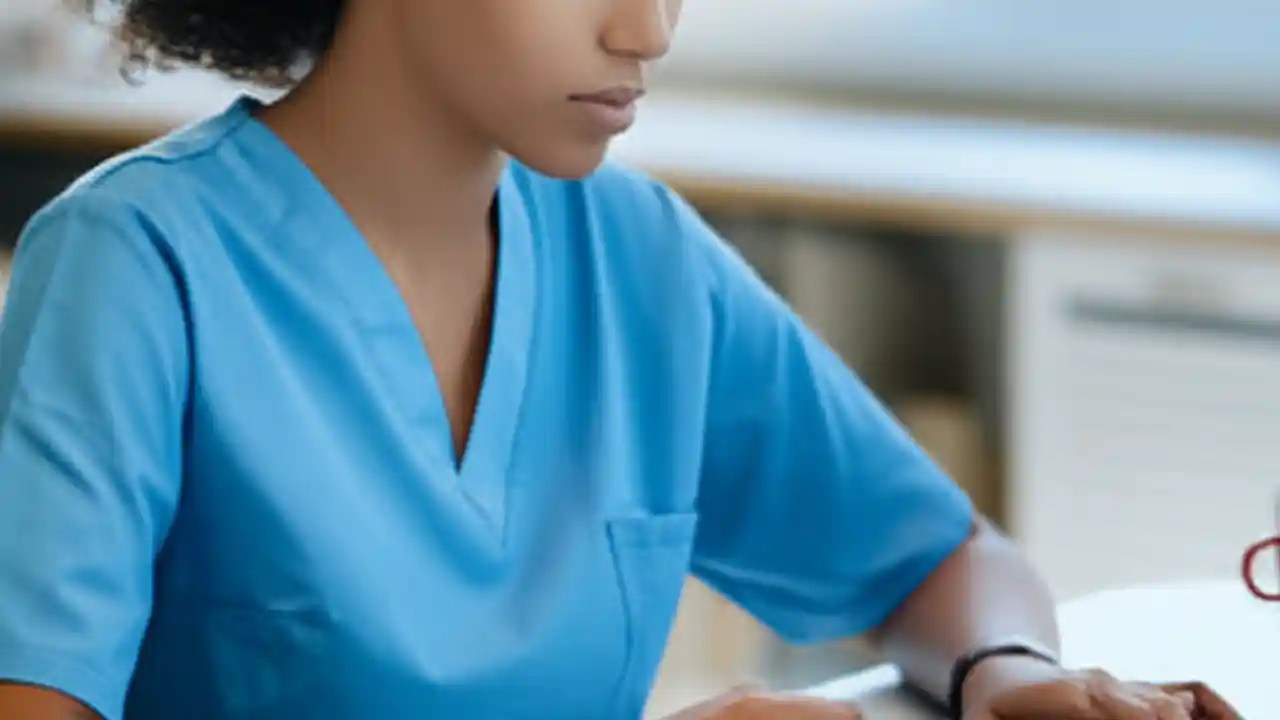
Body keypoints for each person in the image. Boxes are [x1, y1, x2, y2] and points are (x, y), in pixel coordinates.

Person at [0, 1, 1240, 719]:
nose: (646, 26)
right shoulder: (131, 270)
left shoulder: (635, 256)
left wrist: (1007, 675)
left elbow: (935, 556)